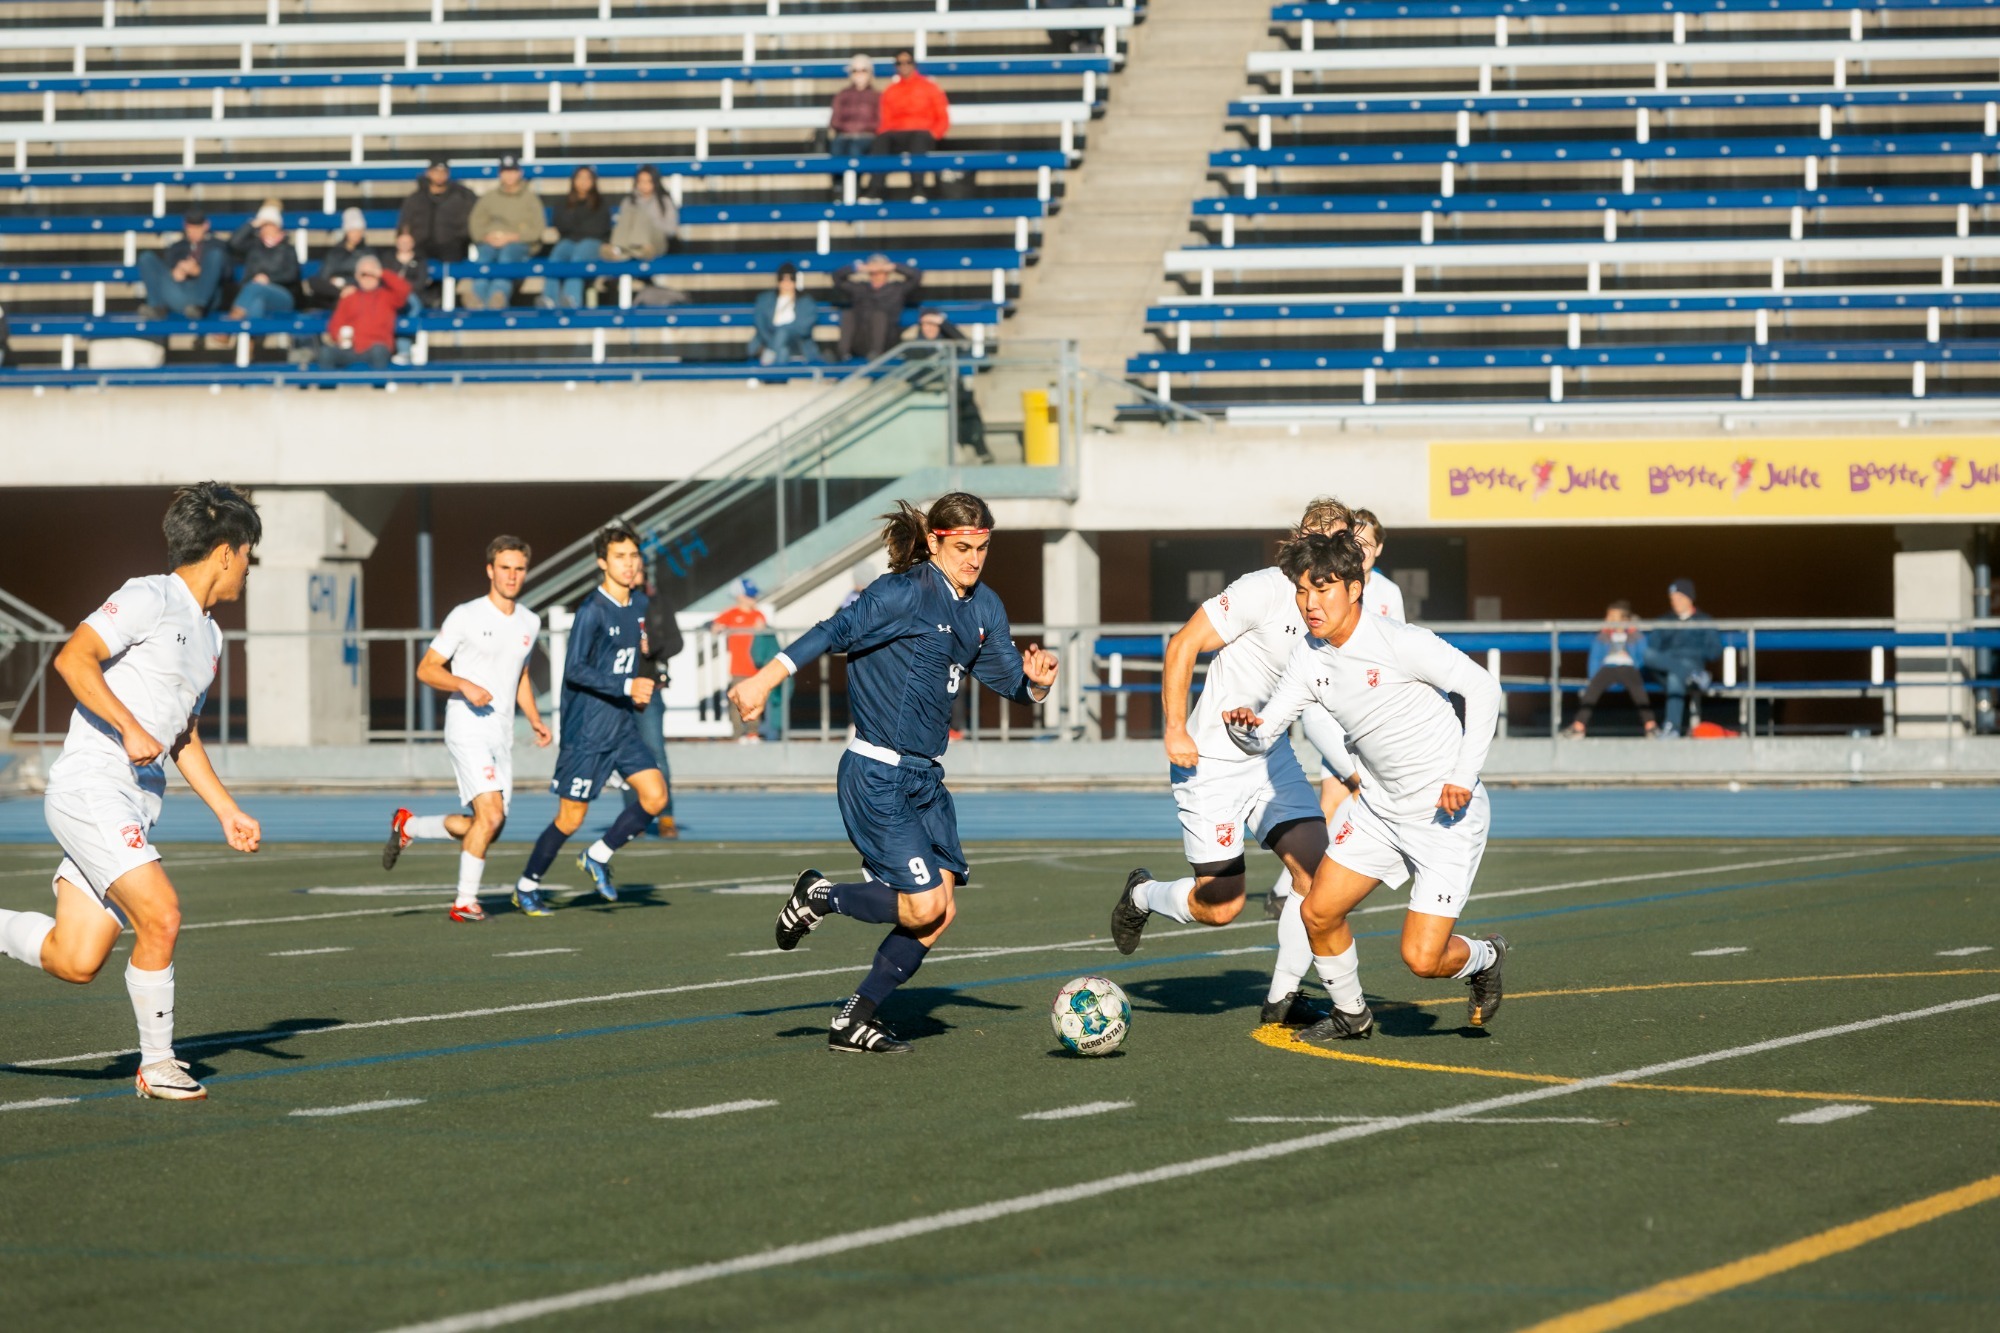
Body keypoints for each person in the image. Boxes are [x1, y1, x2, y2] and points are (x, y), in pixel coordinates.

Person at [729, 493, 1059, 1054]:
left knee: (938, 914)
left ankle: (853, 1020)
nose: (974, 559)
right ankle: (822, 896)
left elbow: (1011, 684)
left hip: (926, 781)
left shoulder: (985, 607)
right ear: (934, 541)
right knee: (925, 903)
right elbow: (832, 630)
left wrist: (1038, 683)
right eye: (962, 548)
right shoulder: (903, 592)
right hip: (876, 773)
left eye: (982, 548)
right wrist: (763, 680)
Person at [0, 483, 263, 1101]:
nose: (249, 568)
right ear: (226, 552)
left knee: (77, 957)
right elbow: (73, 659)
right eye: (249, 553)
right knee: (162, 915)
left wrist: (227, 810)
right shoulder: (148, 595)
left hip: (135, 804)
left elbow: (182, 736)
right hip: (93, 785)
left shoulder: (212, 636)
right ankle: (158, 1063)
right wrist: (127, 725)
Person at [1221, 528, 1508, 1043]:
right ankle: (1352, 1015)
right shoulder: (1308, 658)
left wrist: (1464, 777)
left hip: (1445, 818)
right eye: (1303, 591)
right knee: (1317, 911)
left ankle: (1485, 957)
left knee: (1423, 960)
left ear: (1355, 588)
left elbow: (1483, 688)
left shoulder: (1399, 641)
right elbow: (1263, 736)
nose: (1310, 603)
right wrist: (1246, 727)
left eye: (1323, 589)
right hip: (1378, 811)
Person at [1108, 496, 1355, 1029]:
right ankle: (1143, 894)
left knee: (1321, 878)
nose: (1329, 549)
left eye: (1341, 541)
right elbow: (1182, 645)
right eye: (1321, 536)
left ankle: (1286, 998)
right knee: (1221, 907)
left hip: (1271, 760)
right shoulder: (1262, 589)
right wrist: (1175, 728)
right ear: (1299, 539)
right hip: (1211, 762)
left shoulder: (1340, 609)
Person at [382, 536, 552, 922]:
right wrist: (463, 684)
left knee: (488, 825)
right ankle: (464, 902)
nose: (512, 575)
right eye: (504, 568)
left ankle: (408, 825)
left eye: (519, 568)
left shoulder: (530, 621)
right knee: (490, 817)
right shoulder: (466, 615)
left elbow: (521, 674)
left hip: (502, 733)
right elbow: (426, 668)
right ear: (490, 570)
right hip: (467, 726)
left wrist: (536, 718)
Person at [510, 522, 670, 914]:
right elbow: (576, 670)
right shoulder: (592, 610)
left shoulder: (639, 605)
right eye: (619, 557)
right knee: (570, 818)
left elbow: (631, 662)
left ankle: (597, 855)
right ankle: (526, 885)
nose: (629, 564)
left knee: (656, 796)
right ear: (603, 562)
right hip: (588, 732)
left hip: (622, 727)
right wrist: (626, 685)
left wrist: (651, 678)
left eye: (633, 556)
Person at [621, 563, 684, 840]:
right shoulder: (613, 605)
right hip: (619, 691)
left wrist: (654, 644)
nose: (633, 576)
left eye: (637, 570)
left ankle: (665, 816)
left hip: (650, 691)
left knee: (656, 754)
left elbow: (676, 642)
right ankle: (633, 820)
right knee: (624, 758)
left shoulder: (659, 603)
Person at [902, 308, 991, 462]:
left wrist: (944, 323)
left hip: (954, 391)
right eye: (926, 324)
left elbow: (965, 345)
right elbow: (914, 376)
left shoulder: (948, 345)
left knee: (968, 407)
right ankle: (957, 448)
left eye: (934, 324)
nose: (929, 328)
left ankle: (979, 448)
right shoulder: (914, 348)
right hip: (931, 393)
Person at [293, 254, 409, 370]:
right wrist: (339, 337)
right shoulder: (349, 297)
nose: (368, 278)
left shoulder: (387, 296)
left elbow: (404, 289)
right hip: (351, 348)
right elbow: (335, 324)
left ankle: (379, 387)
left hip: (376, 347)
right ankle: (326, 387)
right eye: (364, 274)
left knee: (379, 351)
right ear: (357, 276)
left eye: (372, 274)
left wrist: (382, 273)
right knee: (326, 353)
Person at [862, 50, 949, 202]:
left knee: (919, 139)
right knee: (881, 141)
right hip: (896, 132)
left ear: (914, 64)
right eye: (899, 63)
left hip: (921, 132)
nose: (904, 66)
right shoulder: (891, 90)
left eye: (907, 62)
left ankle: (918, 188)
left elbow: (942, 117)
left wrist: (934, 134)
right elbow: (884, 119)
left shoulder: (929, 87)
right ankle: (875, 189)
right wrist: (883, 132)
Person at [1566, 601, 1657, 738]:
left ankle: (1650, 725)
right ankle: (1579, 725)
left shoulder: (1635, 635)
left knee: (1638, 690)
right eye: (1608, 617)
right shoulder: (1603, 636)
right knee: (1593, 690)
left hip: (1628, 667)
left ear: (1625, 620)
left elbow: (1642, 655)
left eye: (1614, 618)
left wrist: (1640, 670)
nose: (1610, 621)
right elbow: (1595, 658)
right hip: (1608, 667)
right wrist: (1593, 676)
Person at [466, 154, 545, 311]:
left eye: (513, 171)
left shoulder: (530, 199)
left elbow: (537, 230)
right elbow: (475, 223)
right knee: (484, 256)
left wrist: (512, 237)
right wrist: (486, 237)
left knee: (507, 255)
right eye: (505, 171)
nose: (509, 175)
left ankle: (498, 295)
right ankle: (477, 298)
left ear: (519, 173)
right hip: (490, 242)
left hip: (519, 244)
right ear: (500, 173)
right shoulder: (489, 198)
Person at [1645, 578, 1721, 737]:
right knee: (1647, 655)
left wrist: (1692, 654)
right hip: (1667, 670)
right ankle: (1692, 674)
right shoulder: (1664, 621)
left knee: (1675, 677)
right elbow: (1653, 648)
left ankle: (1672, 729)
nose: (1675, 602)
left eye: (1679, 598)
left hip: (1690, 665)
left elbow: (1714, 651)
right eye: (1672, 599)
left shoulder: (1704, 620)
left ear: (1689, 598)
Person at [136, 212, 227, 320]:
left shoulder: (217, 245)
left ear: (205, 226)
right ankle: (157, 307)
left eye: (197, 228)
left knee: (215, 255)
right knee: (146, 258)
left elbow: (227, 273)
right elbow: (167, 270)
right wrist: (176, 272)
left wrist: (198, 271)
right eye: (190, 228)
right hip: (179, 291)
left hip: (205, 295)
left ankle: (199, 307)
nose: (193, 232)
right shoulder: (177, 247)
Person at [711, 579, 770, 742]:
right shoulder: (731, 614)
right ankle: (738, 734)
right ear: (740, 596)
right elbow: (715, 626)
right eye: (750, 596)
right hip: (738, 668)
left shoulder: (758, 615)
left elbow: (766, 635)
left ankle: (753, 732)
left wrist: (762, 629)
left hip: (755, 667)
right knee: (737, 701)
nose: (753, 599)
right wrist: (718, 627)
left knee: (756, 701)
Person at [833, 253, 920, 361]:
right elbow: (837, 278)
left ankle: (876, 354)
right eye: (873, 273)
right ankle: (842, 354)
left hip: (886, 340)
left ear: (887, 273)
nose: (876, 276)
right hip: (862, 339)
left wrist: (893, 267)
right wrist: (858, 267)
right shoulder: (860, 288)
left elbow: (916, 277)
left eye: (880, 272)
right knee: (848, 314)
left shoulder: (896, 289)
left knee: (878, 315)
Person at [545, 166, 610, 309]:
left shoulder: (601, 203)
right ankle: (549, 299)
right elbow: (561, 225)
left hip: (593, 243)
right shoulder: (564, 202)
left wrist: (577, 229)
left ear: (593, 181)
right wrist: (580, 229)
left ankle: (572, 299)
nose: (583, 181)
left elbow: (599, 229)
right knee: (556, 255)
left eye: (588, 178)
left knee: (579, 257)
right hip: (569, 242)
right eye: (580, 177)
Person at [225, 204, 300, 321]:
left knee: (255, 288)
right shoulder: (254, 246)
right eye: (263, 225)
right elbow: (233, 243)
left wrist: (268, 279)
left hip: (282, 295)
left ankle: (230, 324)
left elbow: (291, 274)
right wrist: (252, 224)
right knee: (256, 302)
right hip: (253, 294)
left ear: (277, 227)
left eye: (269, 225)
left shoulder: (287, 249)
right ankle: (254, 338)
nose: (266, 229)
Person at [396, 157, 477, 265]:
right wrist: (405, 236)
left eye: (443, 172)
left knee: (453, 259)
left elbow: (471, 220)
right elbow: (405, 222)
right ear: (428, 173)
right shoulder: (416, 198)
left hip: (451, 245)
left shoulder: (461, 197)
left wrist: (460, 237)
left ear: (448, 174)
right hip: (421, 245)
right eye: (435, 172)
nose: (439, 175)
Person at [304, 208, 378, 309]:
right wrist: (339, 287)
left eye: (359, 230)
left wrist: (349, 286)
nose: (356, 233)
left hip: (357, 292)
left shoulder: (368, 253)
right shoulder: (335, 252)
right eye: (353, 230)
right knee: (313, 281)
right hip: (334, 292)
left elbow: (370, 279)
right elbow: (324, 276)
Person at [748, 264, 821, 365]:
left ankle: (770, 354)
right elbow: (760, 325)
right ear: (778, 281)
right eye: (783, 280)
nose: (786, 283)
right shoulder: (765, 300)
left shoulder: (805, 302)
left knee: (783, 332)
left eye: (790, 280)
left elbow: (804, 328)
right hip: (768, 340)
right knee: (783, 352)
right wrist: (773, 340)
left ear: (795, 281)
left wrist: (784, 331)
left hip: (796, 342)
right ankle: (777, 380)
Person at [605, 164, 678, 261]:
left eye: (648, 181)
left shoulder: (664, 201)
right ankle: (619, 248)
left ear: (655, 182)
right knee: (630, 213)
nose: (644, 185)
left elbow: (671, 230)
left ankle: (637, 248)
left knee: (641, 214)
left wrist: (648, 223)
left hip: (656, 241)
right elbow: (623, 225)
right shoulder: (628, 201)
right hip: (628, 240)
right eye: (641, 181)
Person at [1352, 508, 1406, 623]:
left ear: (1378, 548)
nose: (1359, 552)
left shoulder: (1391, 592)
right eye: (1354, 544)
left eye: (1365, 545)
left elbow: (1398, 638)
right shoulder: (1330, 586)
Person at [828, 54, 881, 158]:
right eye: (855, 71)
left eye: (863, 70)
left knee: (855, 148)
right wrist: (850, 129)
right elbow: (835, 121)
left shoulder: (877, 96)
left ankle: (854, 174)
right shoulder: (842, 95)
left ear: (870, 73)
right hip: (844, 136)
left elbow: (880, 121)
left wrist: (862, 129)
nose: (859, 74)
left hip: (867, 136)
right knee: (837, 148)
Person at [388, 225, 436, 312]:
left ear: (413, 242)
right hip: (392, 295)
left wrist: (402, 286)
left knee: (413, 303)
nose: (405, 244)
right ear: (396, 241)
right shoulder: (388, 259)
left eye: (407, 242)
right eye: (402, 241)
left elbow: (420, 283)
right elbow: (386, 279)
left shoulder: (420, 260)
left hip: (413, 295)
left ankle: (412, 324)